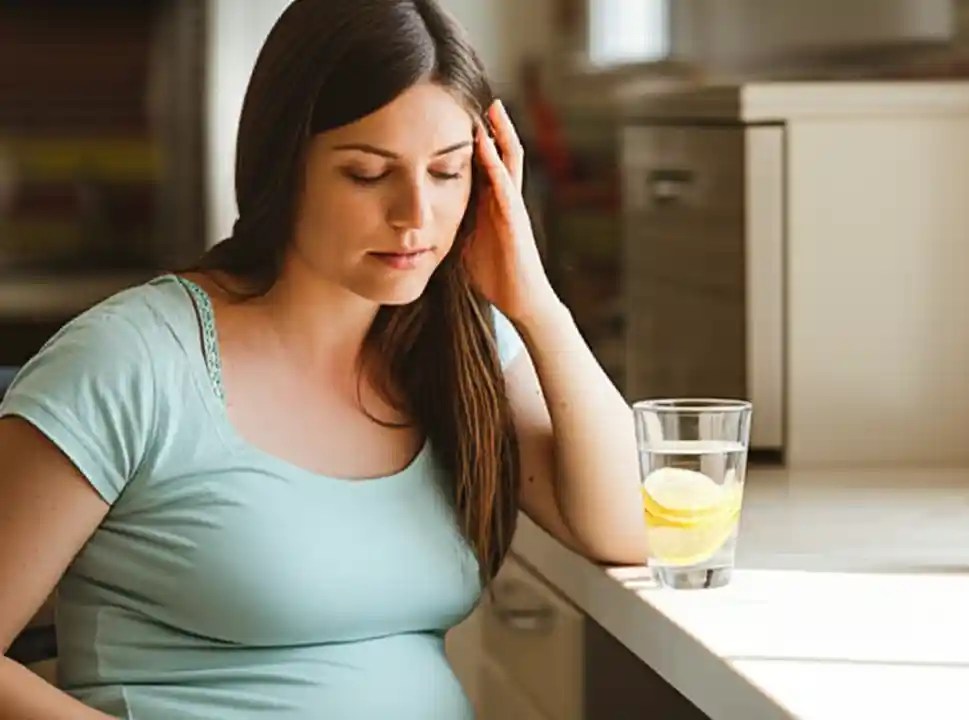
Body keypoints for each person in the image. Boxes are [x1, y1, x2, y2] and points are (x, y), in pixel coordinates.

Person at [0, 1, 647, 717]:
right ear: (284, 165)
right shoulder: (130, 362)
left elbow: (628, 530)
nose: (415, 215)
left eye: (447, 172)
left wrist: (535, 302)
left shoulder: (463, 346)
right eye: (369, 174)